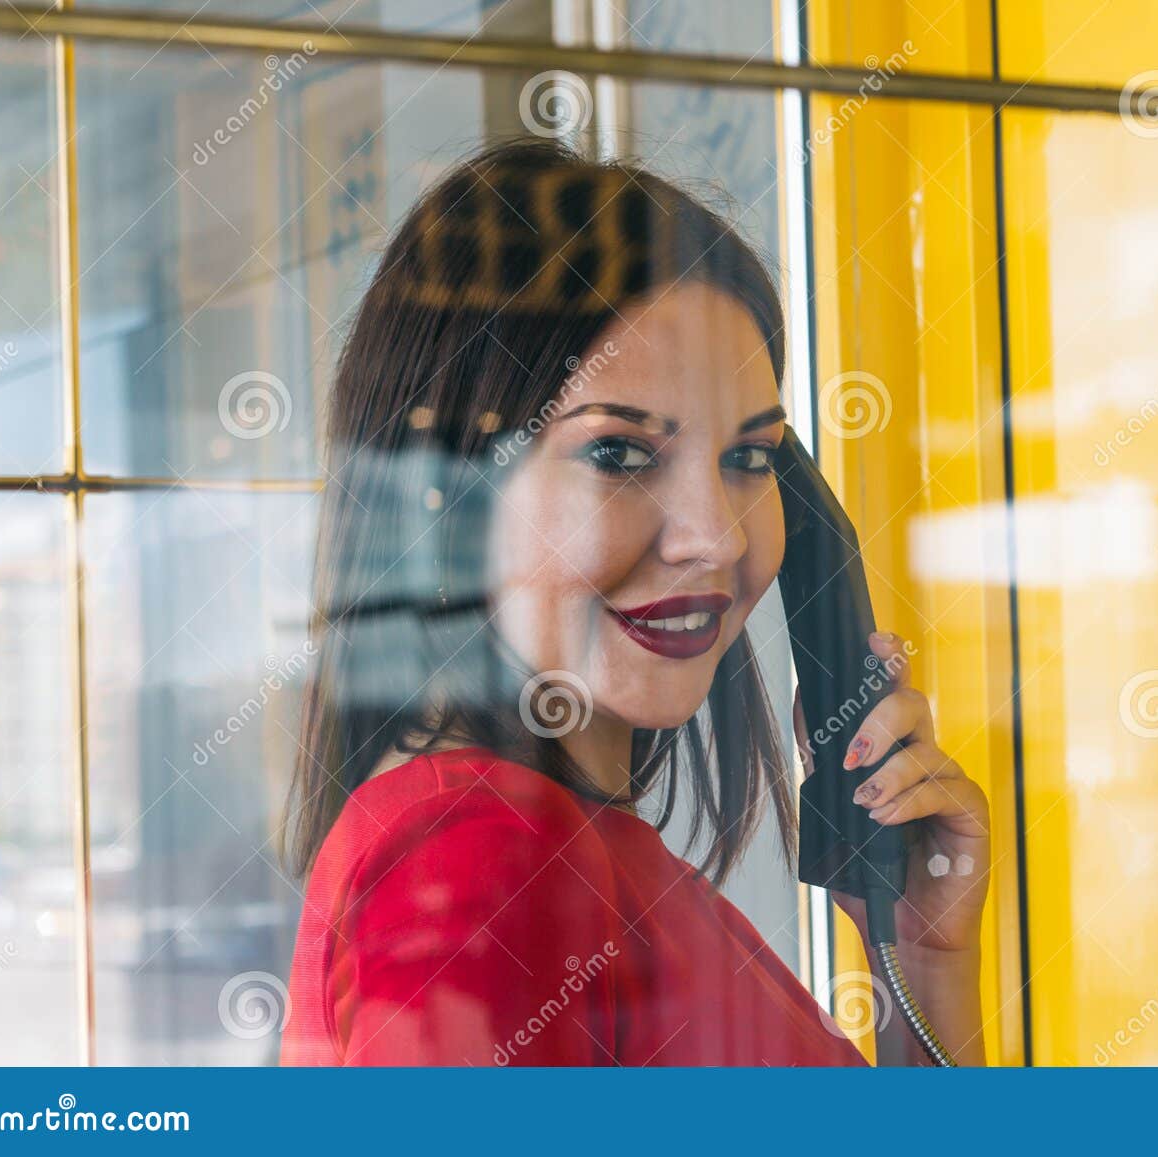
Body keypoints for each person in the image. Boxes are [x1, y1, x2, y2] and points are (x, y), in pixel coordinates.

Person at [279, 139, 990, 1066]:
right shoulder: (482, 864)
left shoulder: (572, 858)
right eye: (619, 454)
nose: (719, 536)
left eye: (751, 457)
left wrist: (925, 965)